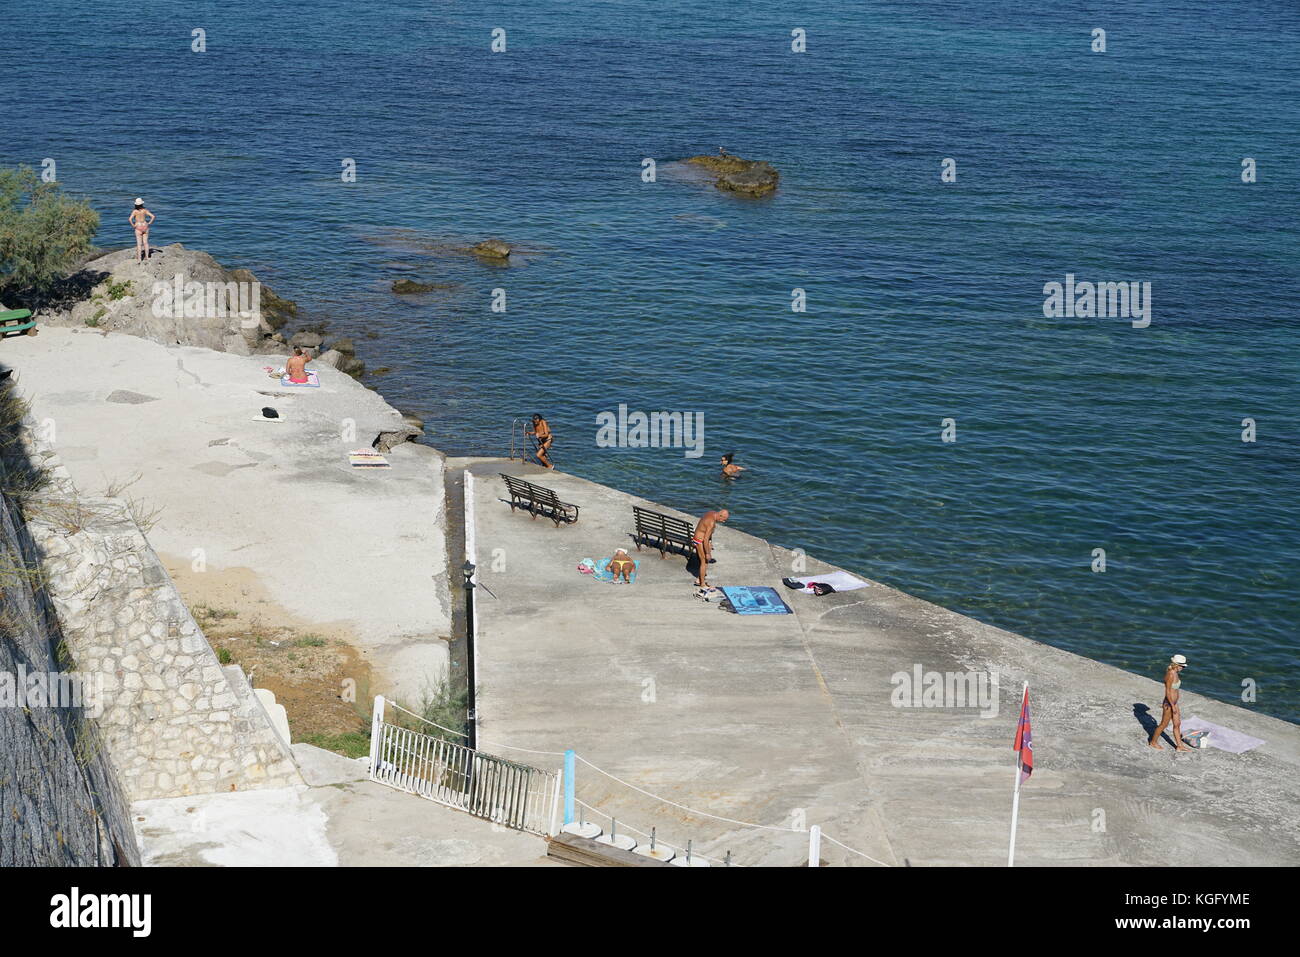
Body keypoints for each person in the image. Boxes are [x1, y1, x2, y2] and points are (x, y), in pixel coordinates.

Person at [1149, 654, 1193, 752]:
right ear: (1176, 664)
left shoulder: (1175, 672)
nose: (1183, 667)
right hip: (1169, 704)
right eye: (1182, 666)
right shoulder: (1171, 674)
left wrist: (1175, 703)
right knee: (1163, 724)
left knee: (1177, 724)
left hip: (1174, 703)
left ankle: (1179, 746)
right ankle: (1153, 742)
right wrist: (1172, 706)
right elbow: (1168, 691)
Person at [692, 508, 729, 587]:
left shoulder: (712, 513)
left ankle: (699, 579)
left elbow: (708, 533)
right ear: (720, 515)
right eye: (723, 519)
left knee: (706, 561)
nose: (723, 521)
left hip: (700, 537)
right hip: (699, 540)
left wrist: (710, 542)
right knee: (704, 561)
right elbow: (705, 538)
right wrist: (708, 553)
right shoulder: (711, 523)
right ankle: (702, 584)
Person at [129, 198, 155, 263]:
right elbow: (153, 216)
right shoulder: (145, 210)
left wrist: (133, 225)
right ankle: (147, 257)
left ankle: (139, 259)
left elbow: (130, 219)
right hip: (145, 226)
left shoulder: (135, 211)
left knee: (139, 244)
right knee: (146, 243)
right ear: (142, 204)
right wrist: (149, 223)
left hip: (138, 227)